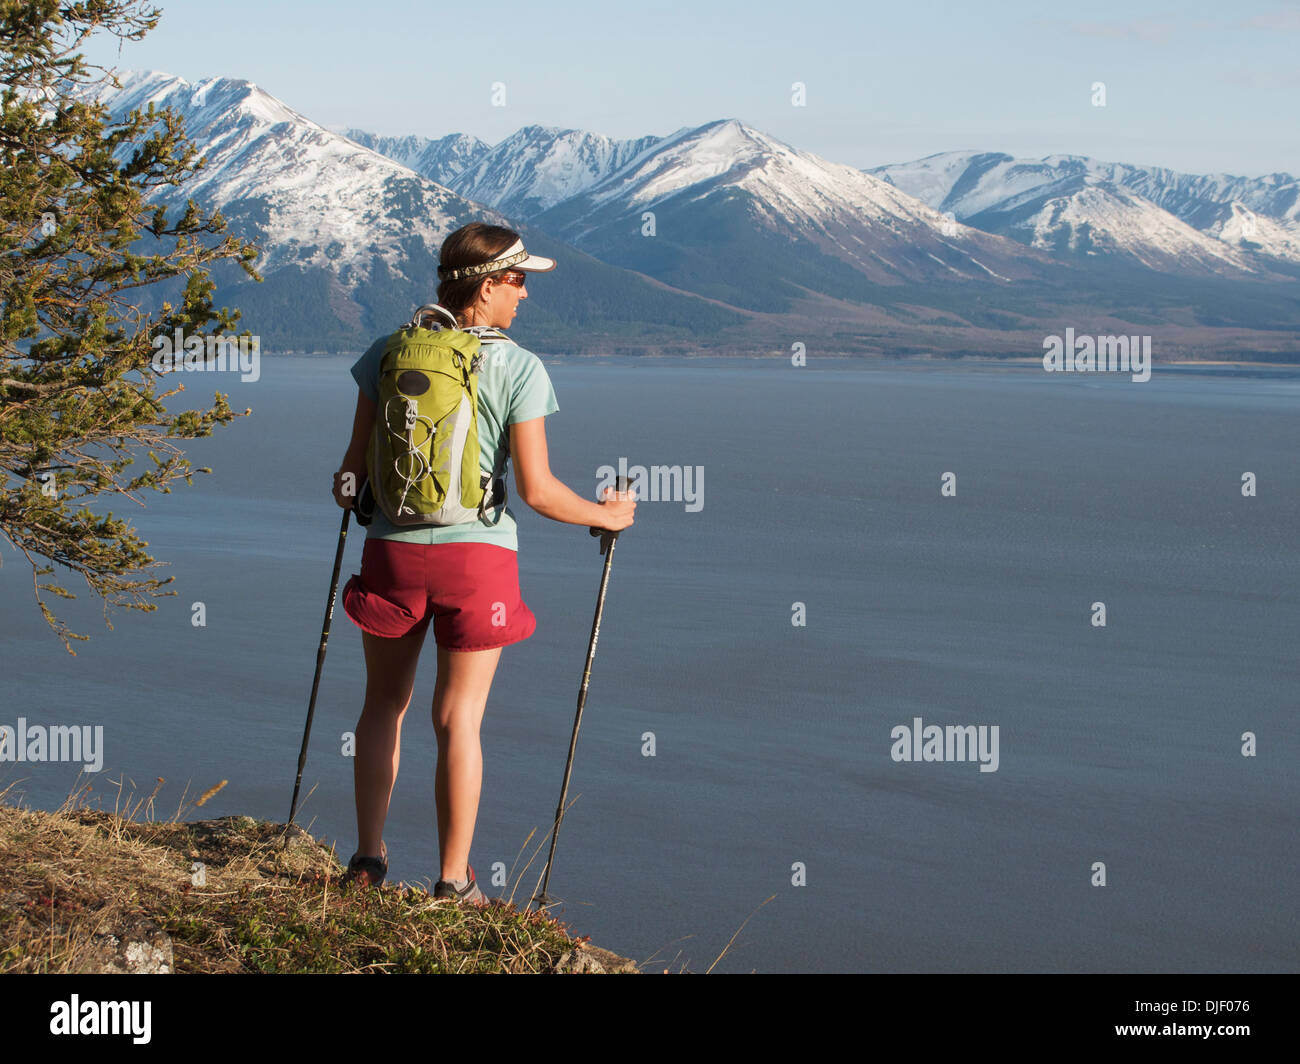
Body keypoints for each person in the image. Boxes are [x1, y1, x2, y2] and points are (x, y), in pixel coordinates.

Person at [330, 222, 635, 903]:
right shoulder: (520, 367)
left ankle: (367, 863)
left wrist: (367, 497)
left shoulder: (386, 353)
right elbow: (539, 491)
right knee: (458, 718)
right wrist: (607, 514)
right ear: (489, 283)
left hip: (392, 553)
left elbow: (349, 480)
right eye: (519, 281)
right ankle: (453, 881)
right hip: (479, 563)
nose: (525, 296)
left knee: (383, 704)